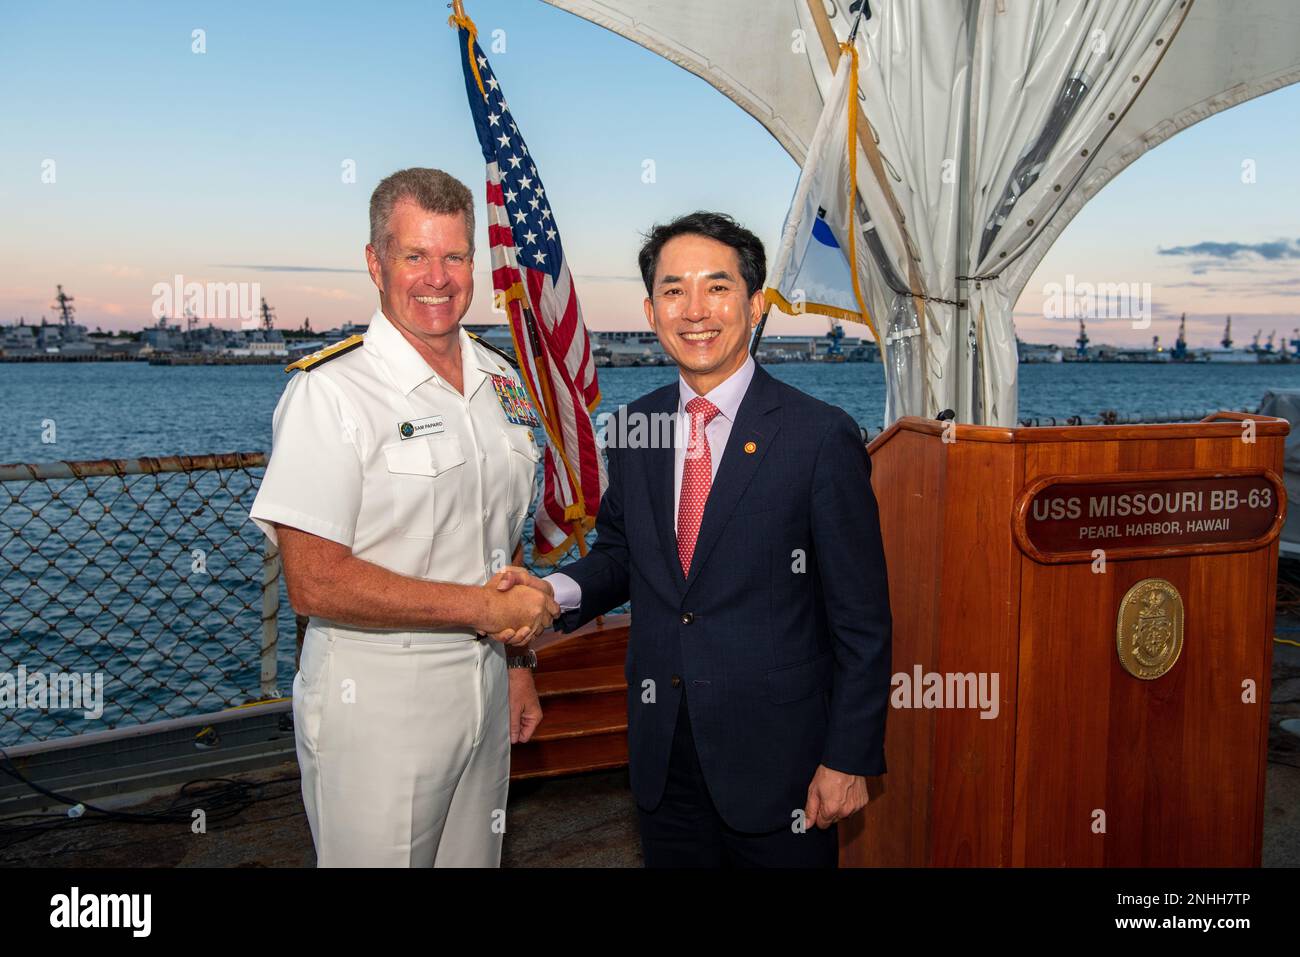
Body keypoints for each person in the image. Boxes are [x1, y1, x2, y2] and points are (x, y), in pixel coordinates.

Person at [497, 211, 892, 867]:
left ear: (755, 303)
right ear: (652, 312)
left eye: (718, 286)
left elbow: (863, 620)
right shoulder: (634, 427)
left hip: (783, 769)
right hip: (663, 761)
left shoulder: (820, 438)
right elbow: (624, 555)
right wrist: (550, 590)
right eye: (674, 290)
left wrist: (848, 757)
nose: (696, 310)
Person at [249, 167, 558, 868]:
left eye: (453, 256)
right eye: (414, 255)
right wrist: (481, 607)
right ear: (375, 262)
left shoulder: (499, 379)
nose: (436, 278)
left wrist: (515, 663)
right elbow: (316, 583)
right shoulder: (330, 394)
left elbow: (496, 529)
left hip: (483, 684)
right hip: (378, 697)